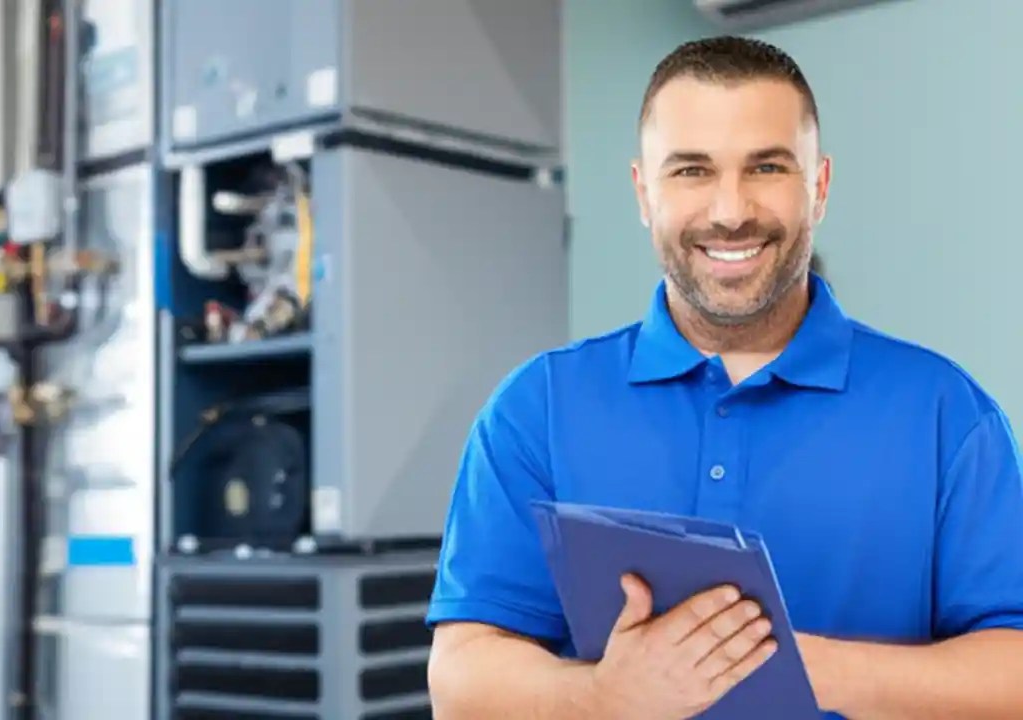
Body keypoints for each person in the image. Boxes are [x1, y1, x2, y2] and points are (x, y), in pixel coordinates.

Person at [425, 36, 1023, 719]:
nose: (730, 209)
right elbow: (460, 682)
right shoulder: (536, 408)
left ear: (819, 187)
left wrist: (809, 668)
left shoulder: (948, 414)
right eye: (691, 171)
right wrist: (603, 696)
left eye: (766, 166)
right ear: (642, 192)